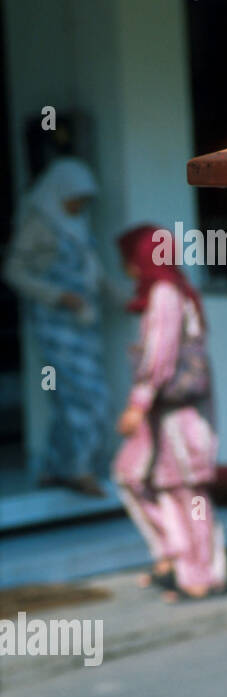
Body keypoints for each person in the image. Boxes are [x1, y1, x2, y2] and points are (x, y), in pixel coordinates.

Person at [112, 225, 227, 601]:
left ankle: (199, 575)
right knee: (144, 478)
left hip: (180, 414)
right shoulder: (173, 290)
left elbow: (160, 357)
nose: (125, 267)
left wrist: (137, 403)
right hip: (171, 414)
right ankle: (179, 563)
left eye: (128, 258)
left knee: (185, 490)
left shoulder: (165, 293)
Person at [2, 157, 112, 495]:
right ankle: (78, 469)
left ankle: (55, 468)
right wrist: (57, 295)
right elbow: (13, 271)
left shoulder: (76, 223)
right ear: (59, 191)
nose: (79, 204)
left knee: (68, 396)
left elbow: (96, 274)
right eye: (75, 197)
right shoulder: (40, 223)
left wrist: (132, 297)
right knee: (90, 396)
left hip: (84, 325)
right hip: (56, 324)